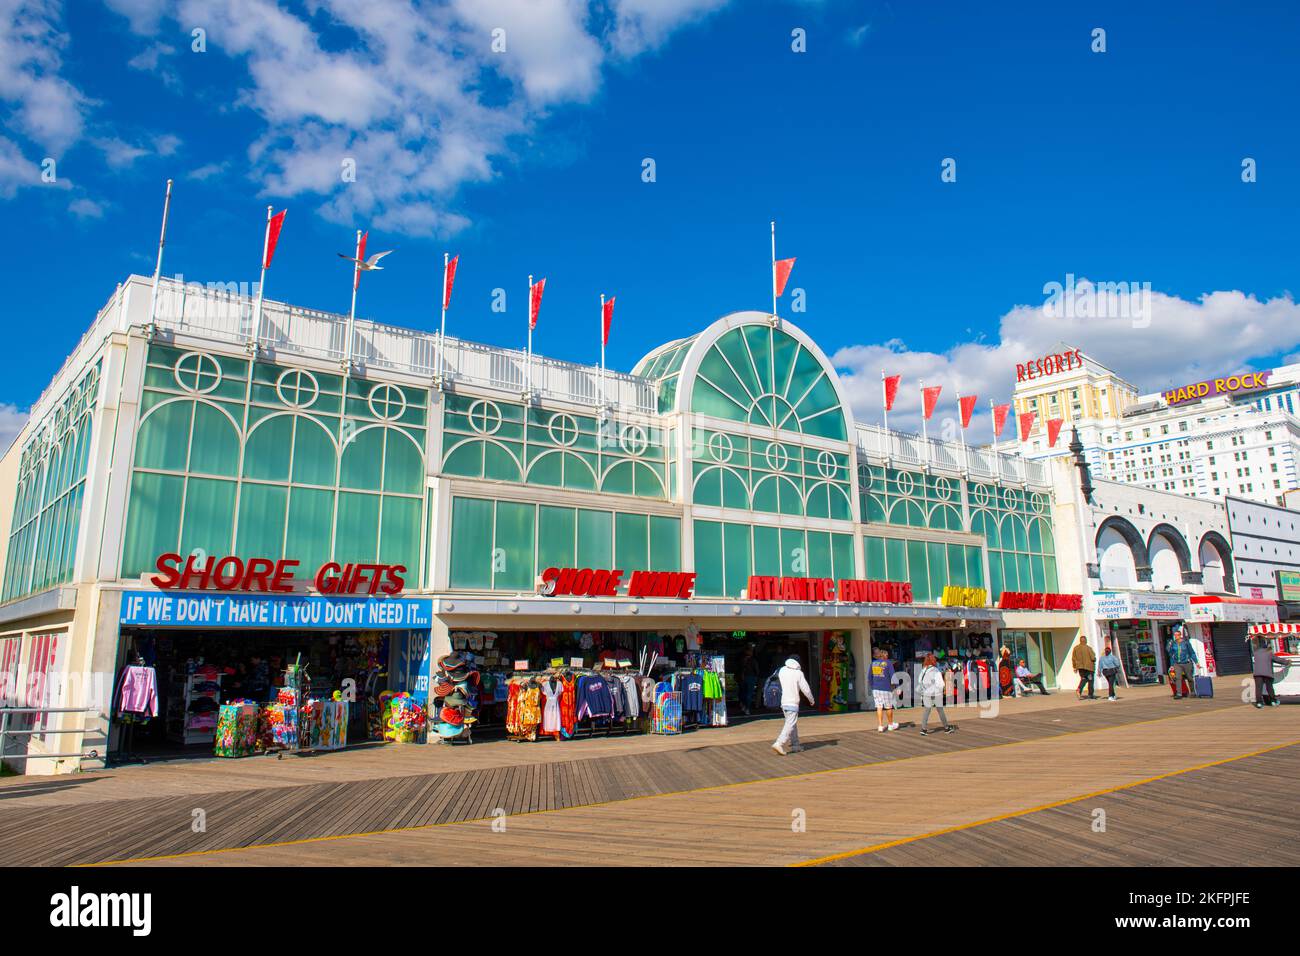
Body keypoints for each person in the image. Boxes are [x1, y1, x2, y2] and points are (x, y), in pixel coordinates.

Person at [771, 657, 815, 755]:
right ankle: (779, 743)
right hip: (793, 702)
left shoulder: (782, 670)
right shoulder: (798, 673)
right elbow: (806, 689)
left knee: (792, 724)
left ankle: (796, 745)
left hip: (784, 702)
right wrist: (811, 700)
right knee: (790, 724)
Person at [917, 653, 954, 736]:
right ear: (933, 660)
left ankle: (923, 729)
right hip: (936, 693)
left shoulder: (923, 670)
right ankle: (946, 728)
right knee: (940, 710)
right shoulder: (935, 670)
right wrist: (942, 689)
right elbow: (941, 683)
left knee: (927, 710)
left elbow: (919, 681)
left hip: (926, 693)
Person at [870, 647, 899, 732]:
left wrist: (872, 687)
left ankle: (880, 726)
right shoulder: (888, 663)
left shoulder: (873, 663)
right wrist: (897, 686)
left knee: (879, 707)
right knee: (888, 707)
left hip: (876, 689)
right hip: (886, 688)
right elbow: (893, 676)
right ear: (885, 656)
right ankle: (890, 725)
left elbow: (869, 677)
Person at [1165, 627, 1199, 700]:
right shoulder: (1173, 644)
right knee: (1178, 678)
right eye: (1174, 635)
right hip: (1177, 664)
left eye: (1177, 635)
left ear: (1180, 635)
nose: (1175, 636)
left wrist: (1196, 662)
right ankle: (1179, 694)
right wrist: (1172, 665)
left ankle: (1193, 692)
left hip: (1187, 663)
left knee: (1189, 678)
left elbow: (1192, 653)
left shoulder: (1186, 643)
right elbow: (1171, 654)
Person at [1252, 638, 1282, 709]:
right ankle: (1273, 701)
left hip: (1257, 673)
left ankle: (1259, 703)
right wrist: (1288, 662)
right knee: (1269, 688)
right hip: (1267, 673)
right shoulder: (1269, 653)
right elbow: (1278, 660)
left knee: (1258, 688)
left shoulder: (1255, 653)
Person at [1071, 635, 1097, 700]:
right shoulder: (1088, 648)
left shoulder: (1076, 648)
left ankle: (1079, 689)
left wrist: (1075, 667)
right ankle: (1090, 694)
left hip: (1080, 668)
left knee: (1084, 679)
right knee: (1090, 681)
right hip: (1089, 668)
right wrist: (1094, 659)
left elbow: (1073, 658)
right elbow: (1093, 658)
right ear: (1086, 640)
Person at [739, 646, 759, 716]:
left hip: (743, 678)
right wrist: (757, 676)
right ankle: (747, 708)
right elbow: (756, 669)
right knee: (749, 694)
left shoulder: (742, 660)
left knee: (744, 692)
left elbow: (740, 668)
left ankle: (743, 706)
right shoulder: (753, 660)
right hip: (751, 677)